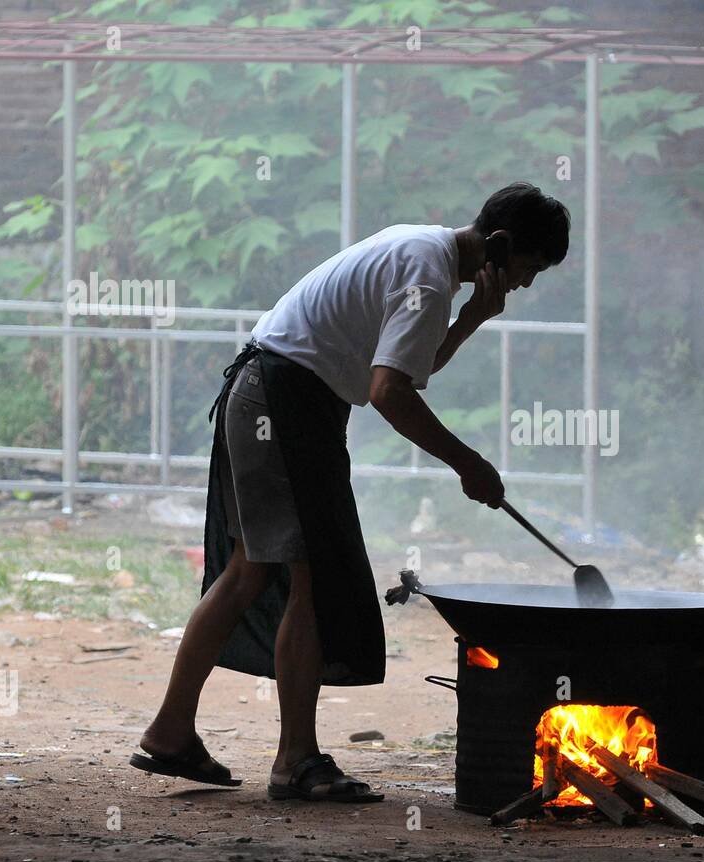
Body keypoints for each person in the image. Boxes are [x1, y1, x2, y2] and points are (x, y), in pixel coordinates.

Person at [130, 183, 570, 802]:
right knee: (311, 576)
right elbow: (389, 391)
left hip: (268, 392)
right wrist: (467, 463)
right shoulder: (427, 272)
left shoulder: (426, 253)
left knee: (249, 572)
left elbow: (402, 365)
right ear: (500, 245)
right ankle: (295, 761)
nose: (524, 284)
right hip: (283, 403)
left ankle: (171, 730)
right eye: (529, 268)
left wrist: (472, 317)